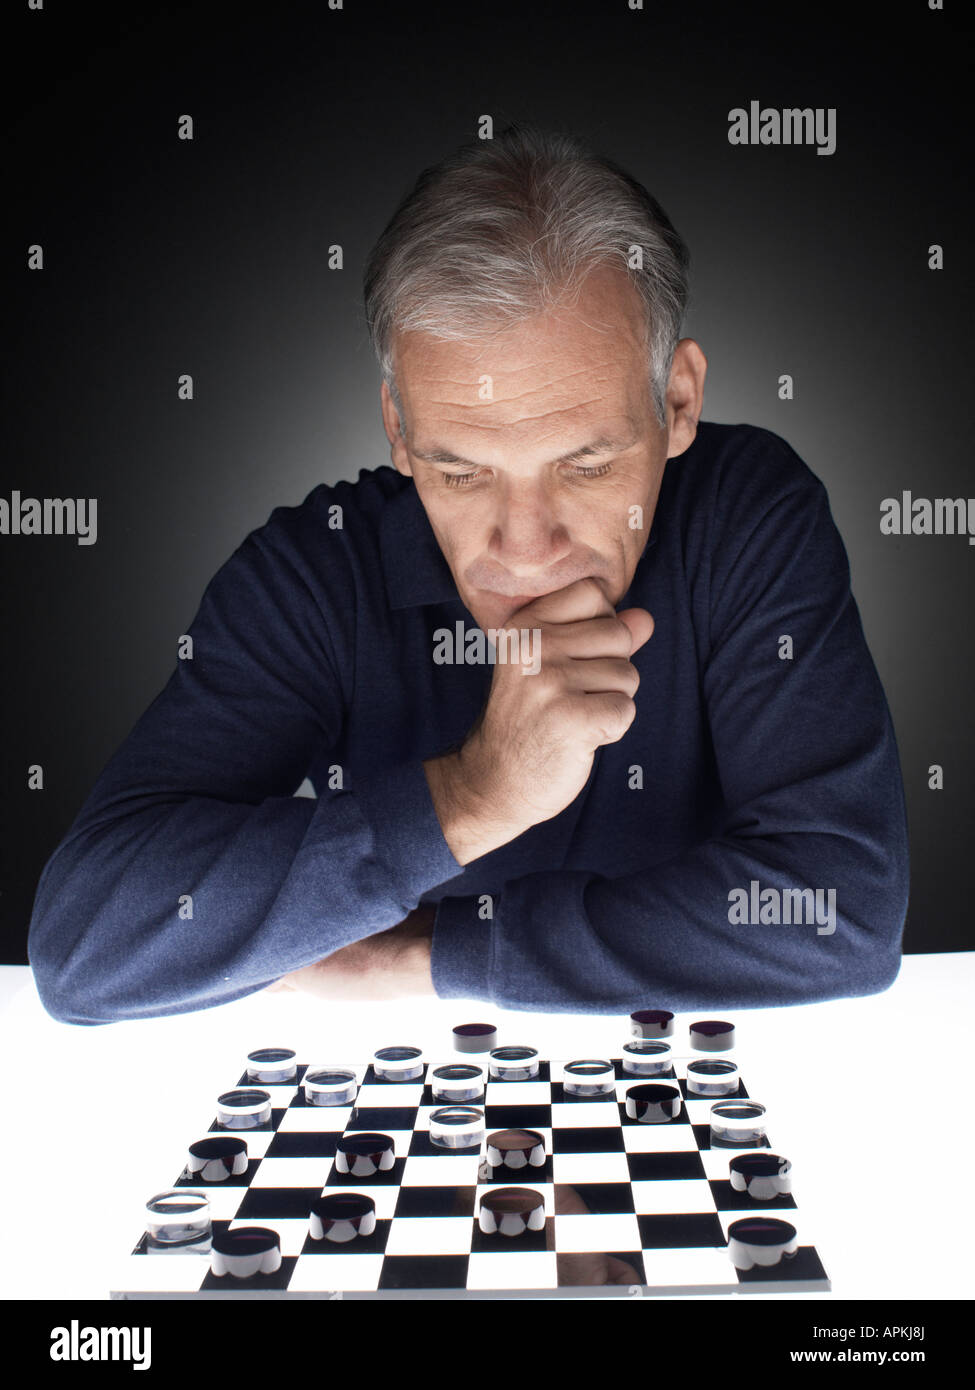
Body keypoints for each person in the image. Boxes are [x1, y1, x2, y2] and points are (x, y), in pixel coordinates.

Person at [27, 125, 909, 1024]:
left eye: (586, 465)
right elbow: (84, 949)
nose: (525, 549)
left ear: (677, 403)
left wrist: (435, 954)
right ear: (399, 430)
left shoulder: (747, 510)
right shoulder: (318, 569)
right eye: (461, 473)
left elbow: (840, 915)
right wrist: (471, 793)